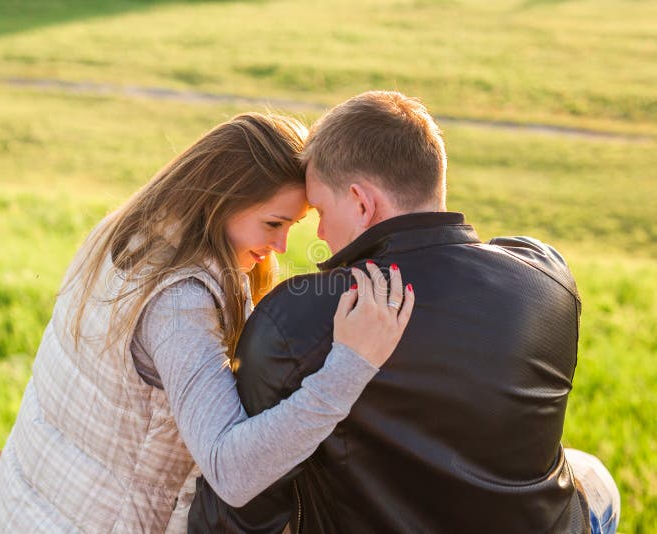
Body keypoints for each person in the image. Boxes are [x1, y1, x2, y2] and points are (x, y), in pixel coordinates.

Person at [189, 92, 620, 533]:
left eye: (320, 209)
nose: (319, 231)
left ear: (361, 202)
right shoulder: (547, 276)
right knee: (596, 478)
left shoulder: (295, 320)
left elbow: (236, 518)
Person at [0, 112, 415, 533]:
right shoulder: (178, 303)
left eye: (292, 225)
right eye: (273, 223)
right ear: (221, 201)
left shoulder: (129, 233)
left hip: (26, 503)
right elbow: (232, 472)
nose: (281, 245)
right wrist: (352, 364)